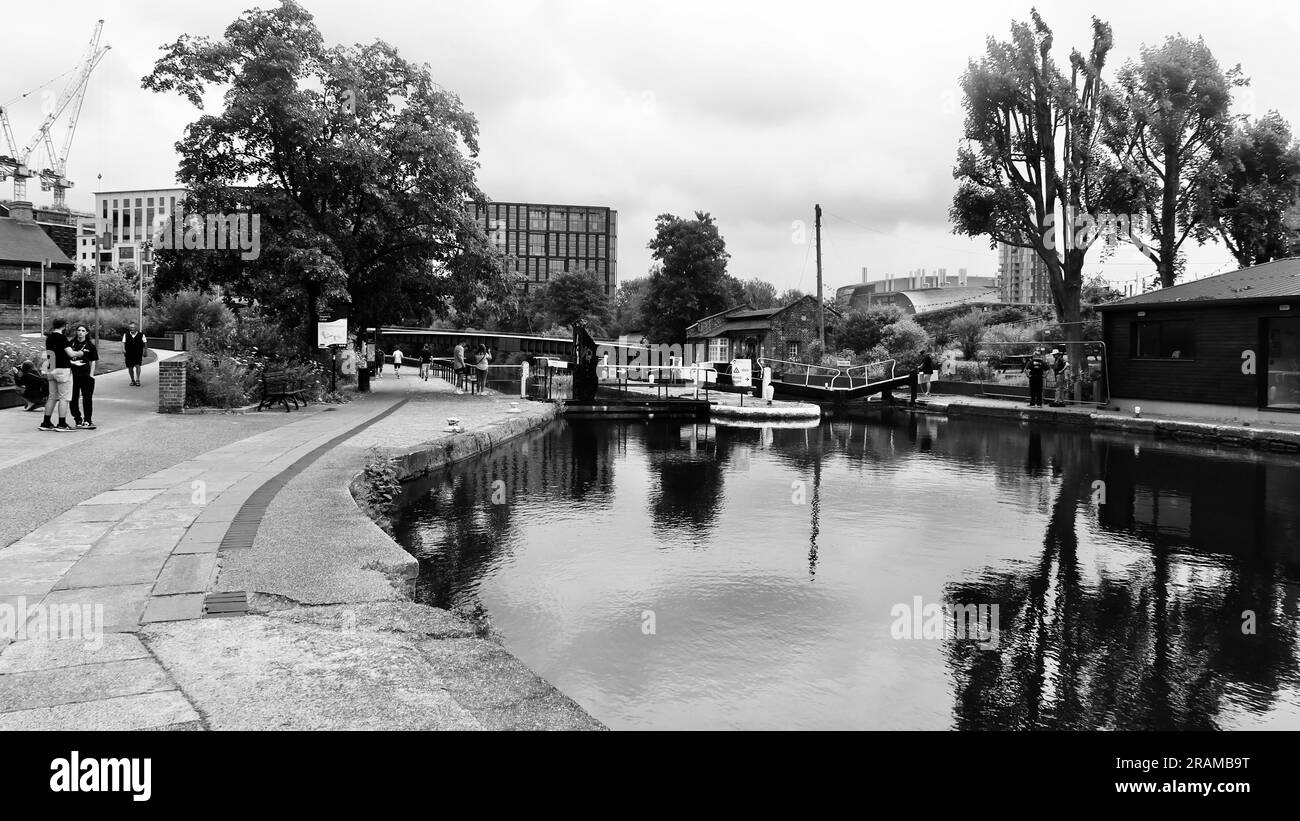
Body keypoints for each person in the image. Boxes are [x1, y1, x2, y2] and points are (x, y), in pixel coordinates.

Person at [41, 317, 84, 432]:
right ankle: (61, 423)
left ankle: (46, 422)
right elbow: (70, 353)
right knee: (64, 398)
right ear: (64, 326)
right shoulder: (62, 338)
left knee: (52, 397)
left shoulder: (49, 338)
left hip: (51, 368)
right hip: (63, 370)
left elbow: (53, 354)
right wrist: (80, 353)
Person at [69, 325, 99, 429]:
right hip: (73, 375)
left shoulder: (90, 345)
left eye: (83, 331)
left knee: (87, 399)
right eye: (79, 330)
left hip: (86, 375)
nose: (80, 332)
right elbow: (65, 357)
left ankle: (88, 420)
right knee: (73, 399)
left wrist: (91, 375)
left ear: (86, 333)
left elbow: (93, 360)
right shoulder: (71, 343)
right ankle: (77, 419)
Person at [122, 322, 146, 387]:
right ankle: (132, 380)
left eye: (133, 327)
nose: (131, 328)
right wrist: (123, 349)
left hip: (138, 353)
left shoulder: (141, 335)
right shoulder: (126, 335)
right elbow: (123, 343)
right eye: (130, 327)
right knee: (130, 367)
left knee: (138, 365)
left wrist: (145, 351)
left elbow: (145, 343)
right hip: (129, 353)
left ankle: (138, 379)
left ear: (136, 328)